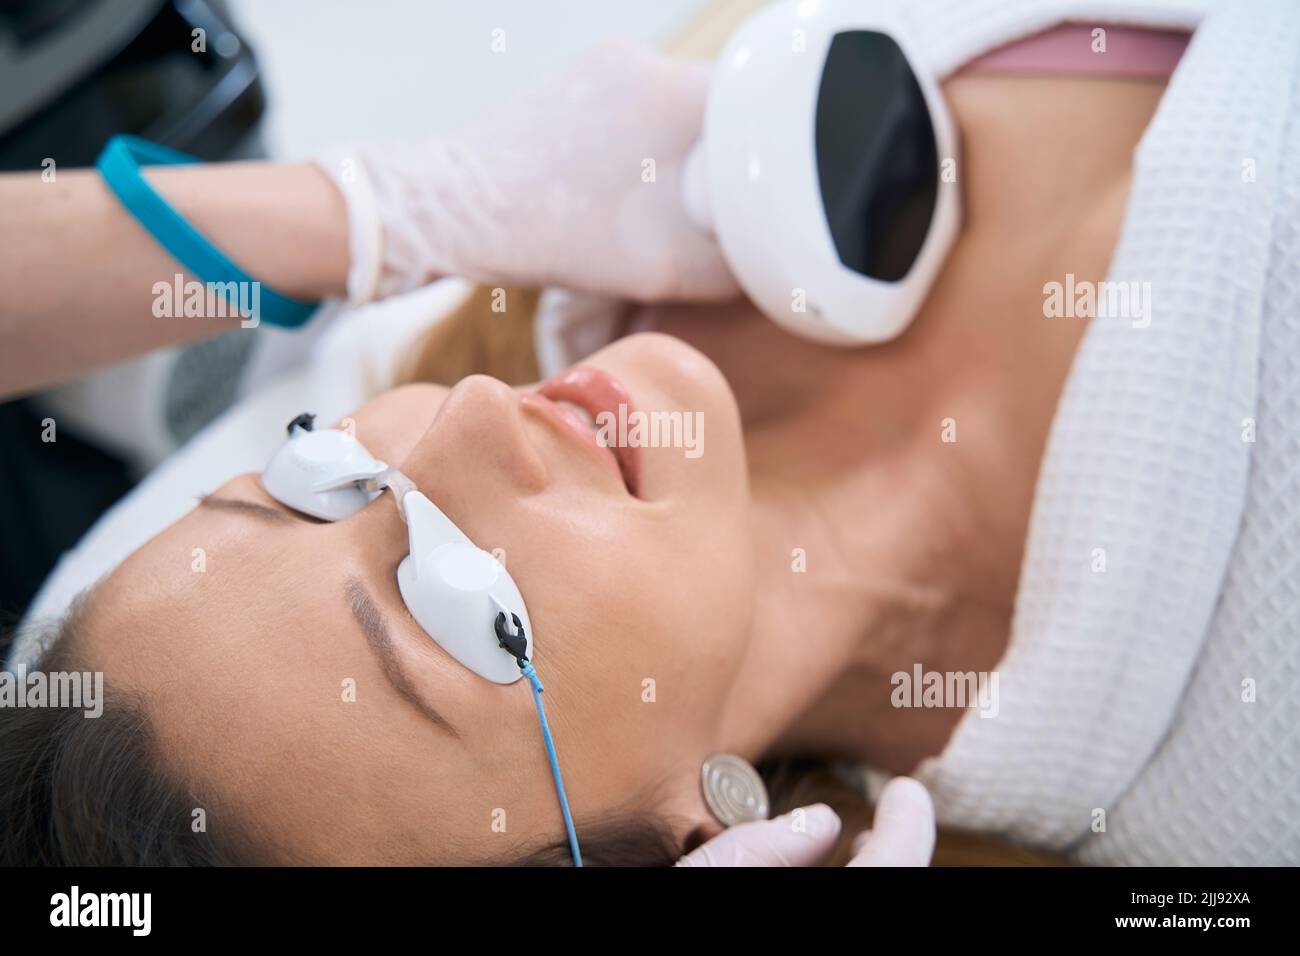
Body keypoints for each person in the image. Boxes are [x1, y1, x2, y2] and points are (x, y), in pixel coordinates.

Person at [5, 0, 1299, 866]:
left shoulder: (548, 286)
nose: (462, 421)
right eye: (456, 610)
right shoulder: (1241, 758)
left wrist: (377, 212)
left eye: (316, 479)